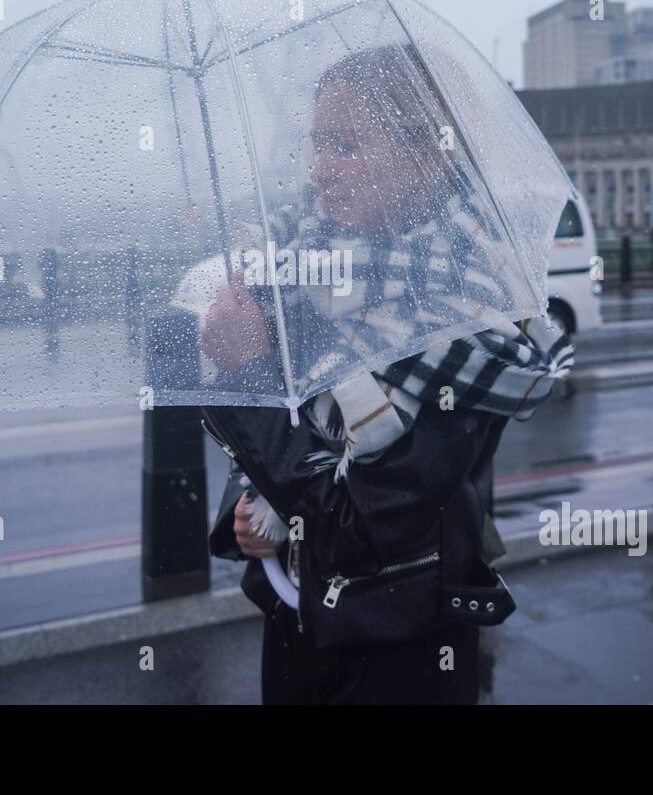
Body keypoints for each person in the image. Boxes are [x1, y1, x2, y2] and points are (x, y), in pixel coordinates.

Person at [197, 44, 571, 704]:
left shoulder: (458, 312)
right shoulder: (309, 269)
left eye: (345, 146)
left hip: (400, 652)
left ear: (429, 155)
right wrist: (242, 515)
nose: (318, 172)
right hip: (297, 623)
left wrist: (249, 370)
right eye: (316, 145)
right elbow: (282, 438)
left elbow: (359, 531)